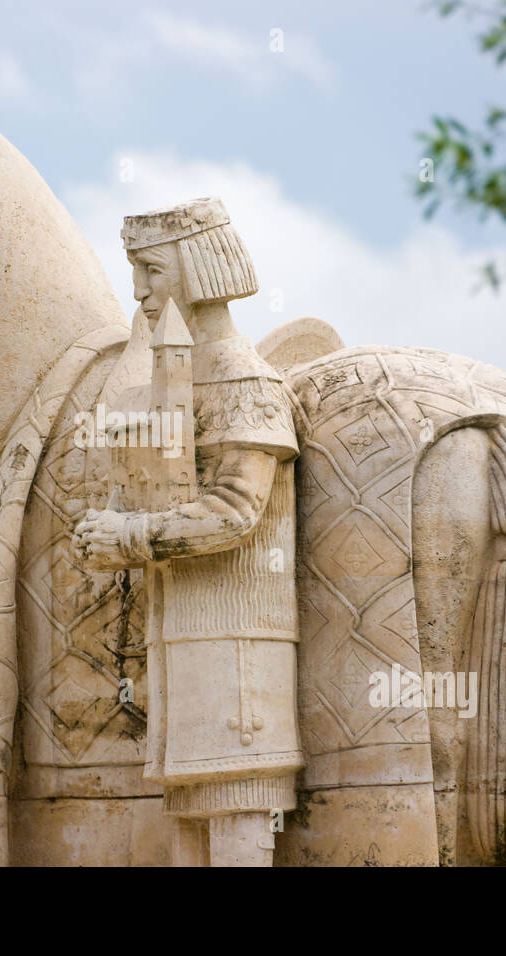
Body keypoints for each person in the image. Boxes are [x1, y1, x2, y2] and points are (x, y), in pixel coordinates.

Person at [73, 198, 304, 866]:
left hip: (238, 667)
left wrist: (128, 535)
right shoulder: (168, 385)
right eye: (133, 271)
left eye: (151, 269)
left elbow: (234, 511)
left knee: (237, 829)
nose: (139, 290)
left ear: (195, 268)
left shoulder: (244, 379)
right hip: (183, 667)